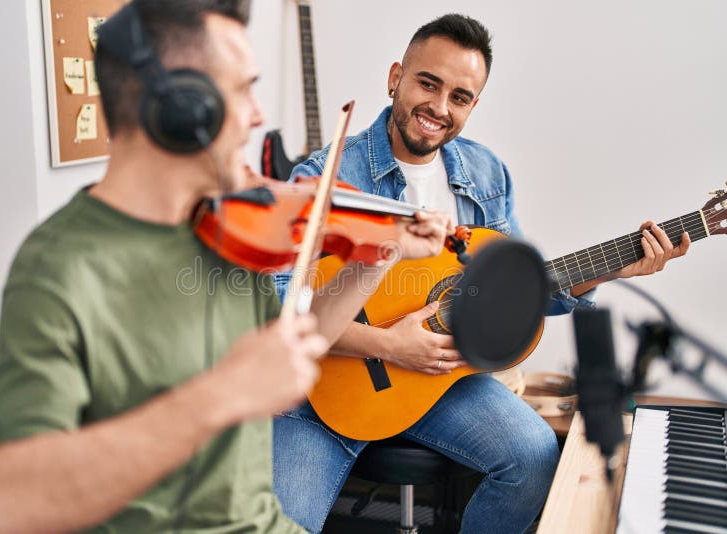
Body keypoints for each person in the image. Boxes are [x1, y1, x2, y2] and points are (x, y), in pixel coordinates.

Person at [0, 2, 453, 532]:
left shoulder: (233, 231)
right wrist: (220, 395)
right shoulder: (63, 266)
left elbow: (302, 338)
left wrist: (380, 252)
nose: (256, 115)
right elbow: (10, 499)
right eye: (243, 89)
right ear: (184, 108)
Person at [272, 13, 690, 533]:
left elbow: (516, 289)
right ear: (395, 76)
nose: (439, 108)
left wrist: (604, 271)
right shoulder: (325, 176)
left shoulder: (486, 175)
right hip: (321, 389)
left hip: (436, 385)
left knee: (534, 456)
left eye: (461, 97)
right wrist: (387, 346)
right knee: (277, 526)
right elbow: (276, 310)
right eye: (428, 83)